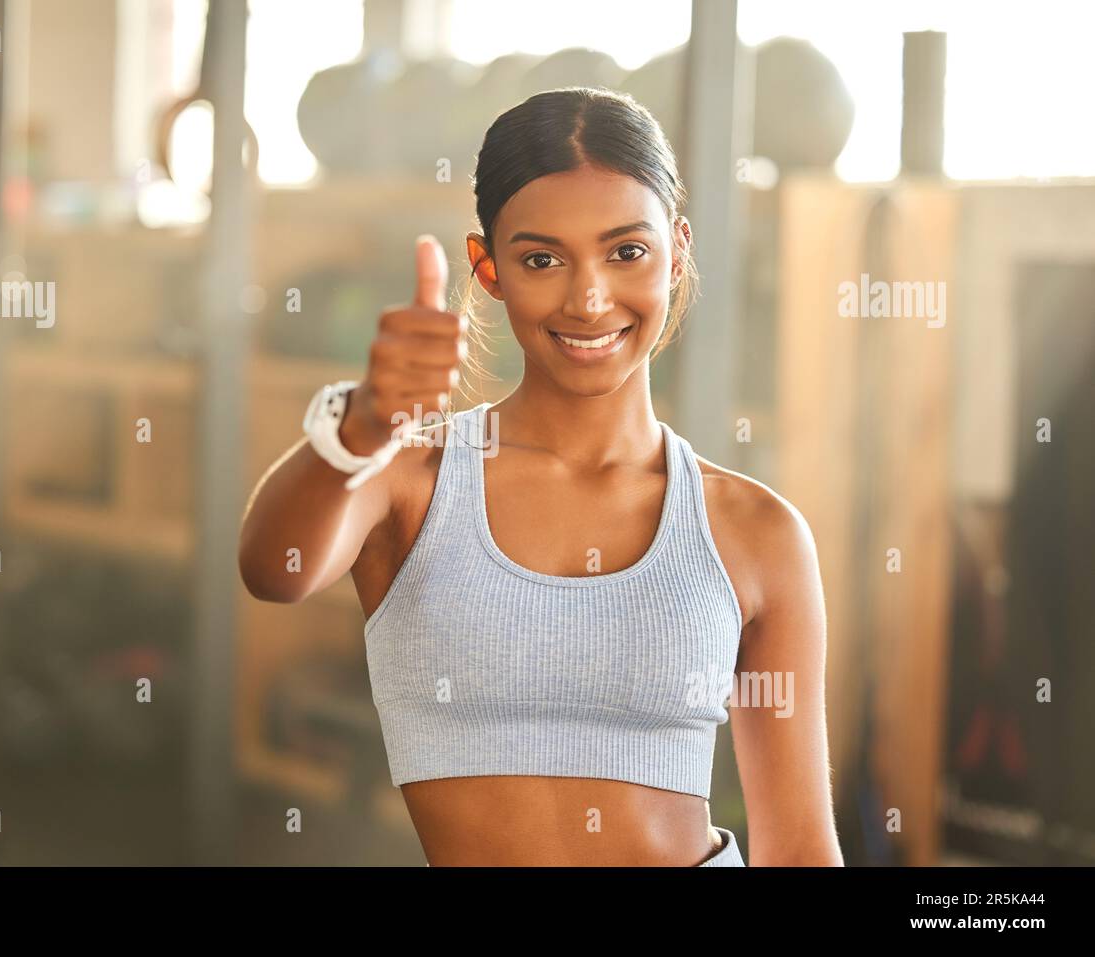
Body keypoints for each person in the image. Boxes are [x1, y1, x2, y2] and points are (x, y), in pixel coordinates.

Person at [239, 87, 842, 867]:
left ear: (678, 252)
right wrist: (361, 422)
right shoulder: (411, 480)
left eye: (627, 252)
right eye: (542, 259)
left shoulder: (756, 531)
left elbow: (798, 849)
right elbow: (272, 570)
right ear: (487, 269)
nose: (589, 299)